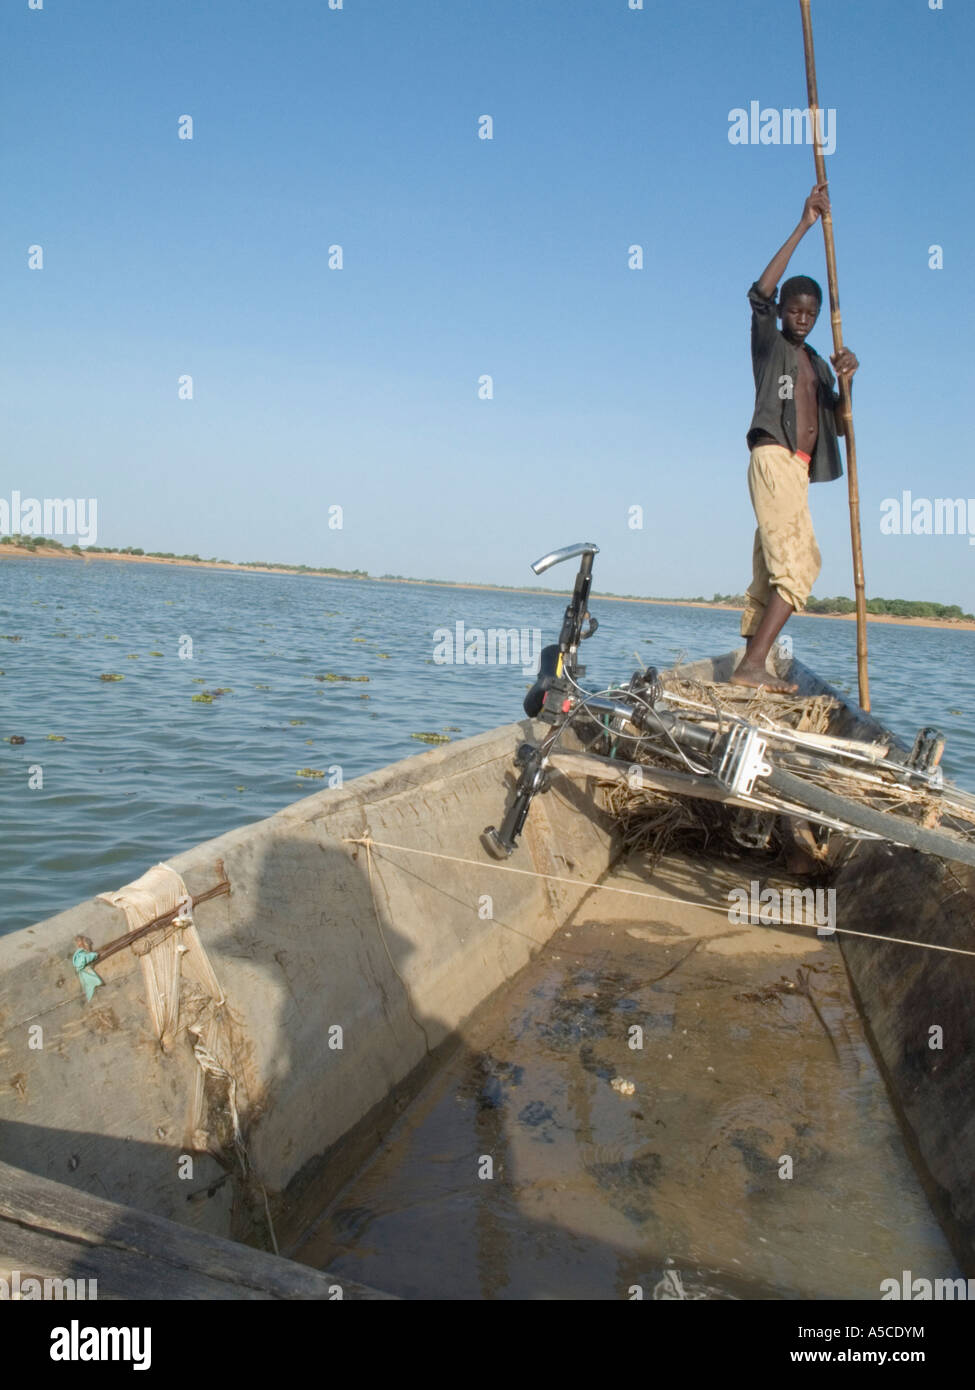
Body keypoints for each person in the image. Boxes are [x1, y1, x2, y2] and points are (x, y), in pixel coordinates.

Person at [731, 183, 859, 693]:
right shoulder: (773, 346)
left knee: (771, 568)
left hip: (798, 469)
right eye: (795, 310)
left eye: (810, 313)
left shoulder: (818, 365)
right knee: (802, 564)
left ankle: (747, 667)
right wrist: (805, 224)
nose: (802, 320)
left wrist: (847, 385)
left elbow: (842, 428)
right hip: (774, 458)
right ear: (784, 311)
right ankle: (753, 665)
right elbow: (759, 293)